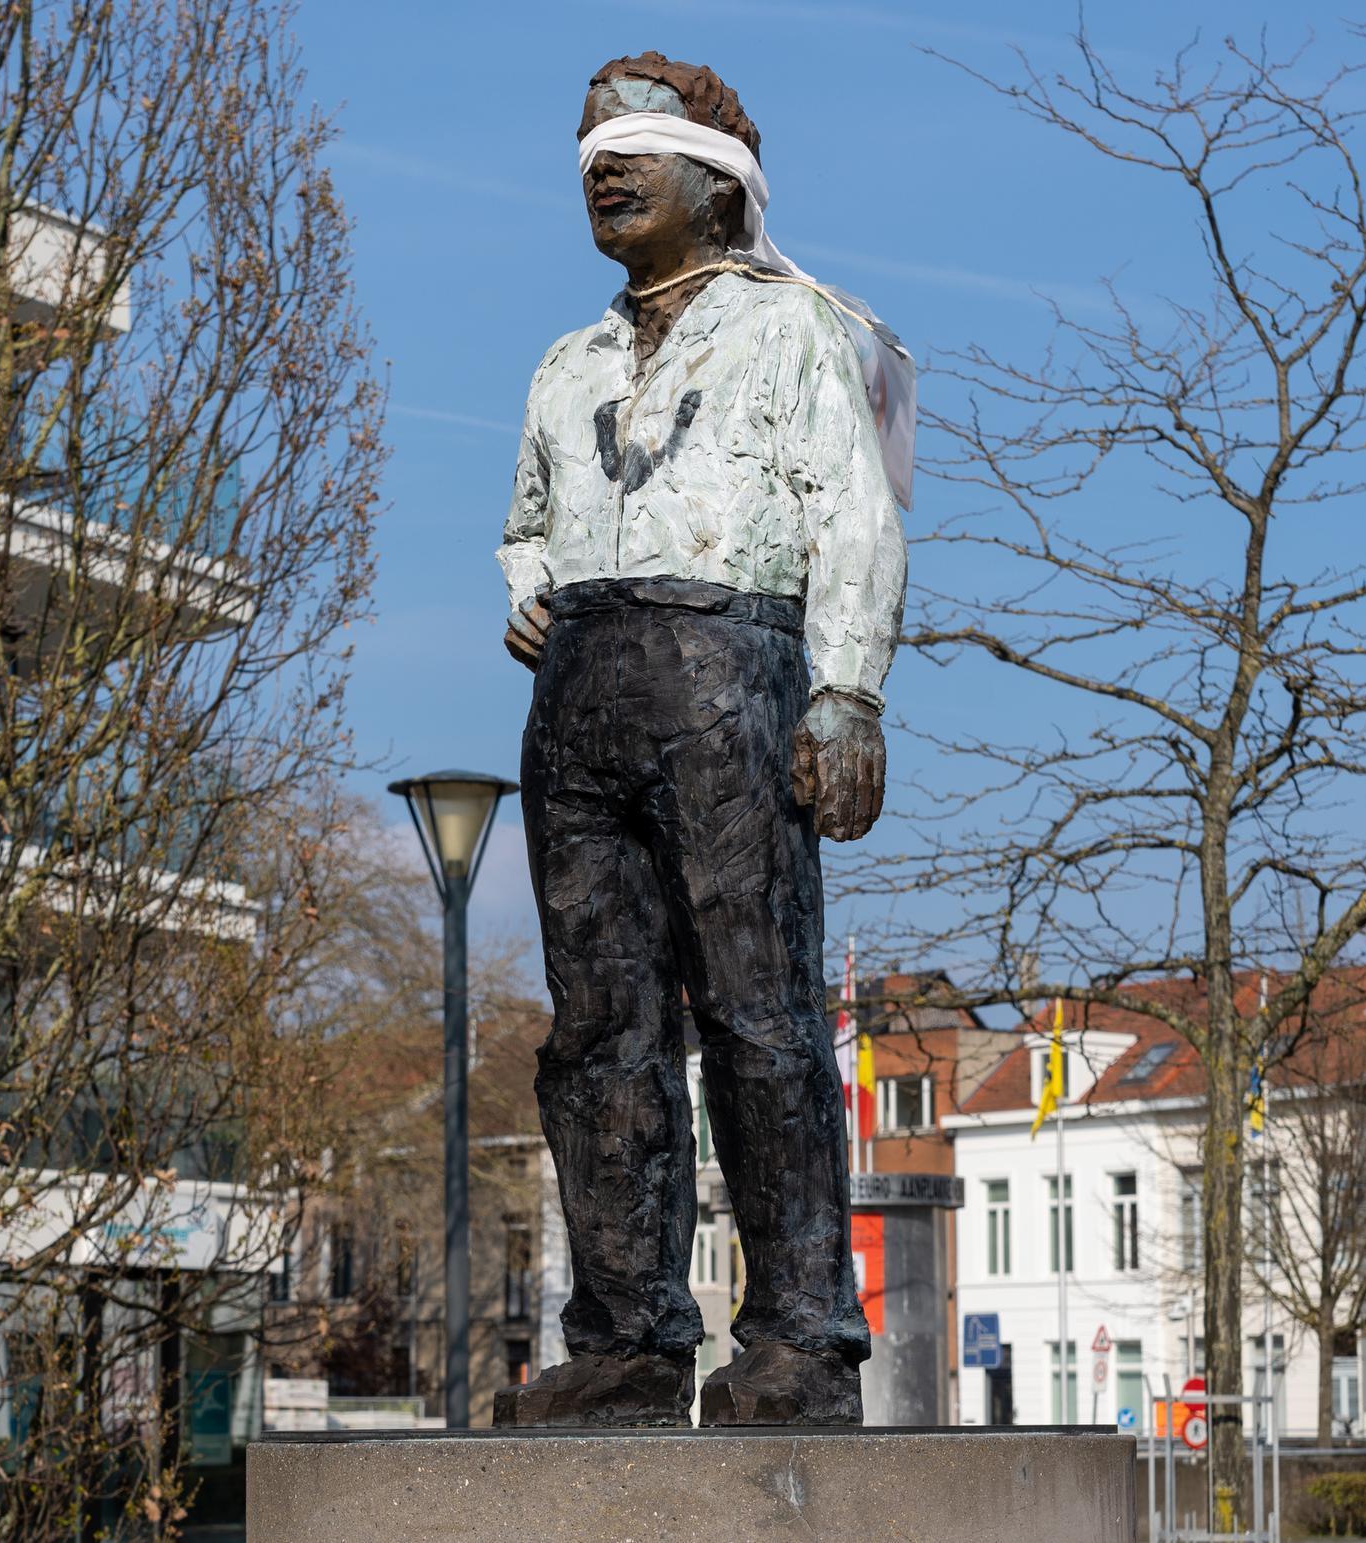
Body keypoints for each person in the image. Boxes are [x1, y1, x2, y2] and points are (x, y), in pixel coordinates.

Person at [493, 52, 907, 1428]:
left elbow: (853, 508)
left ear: (717, 182)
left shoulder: (795, 329)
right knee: (598, 1027)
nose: (604, 166)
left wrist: (846, 691)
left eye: (636, 145)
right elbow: (528, 520)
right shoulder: (567, 362)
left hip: (732, 665)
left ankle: (799, 1330)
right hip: (585, 688)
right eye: (589, 151)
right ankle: (626, 1334)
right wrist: (526, 590)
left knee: (758, 1008)